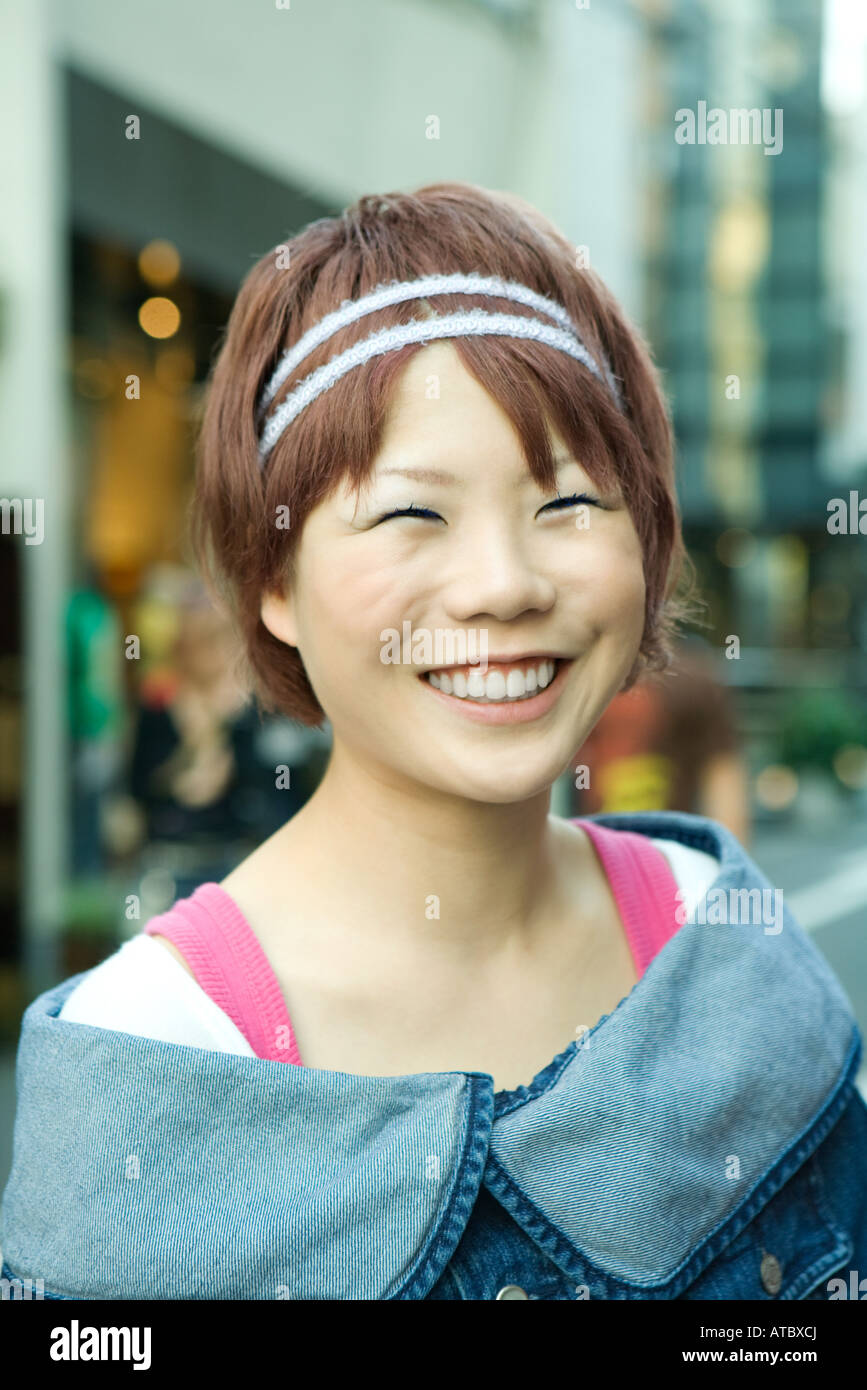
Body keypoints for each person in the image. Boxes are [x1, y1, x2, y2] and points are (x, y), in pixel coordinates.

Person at [2, 184, 865, 1302]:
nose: (505, 584)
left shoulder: (730, 949)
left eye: (567, 504)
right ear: (272, 581)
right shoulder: (153, 1055)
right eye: (413, 512)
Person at [573, 635, 752, 845]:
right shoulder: (579, 681)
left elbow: (724, 783)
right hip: (597, 847)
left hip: (663, 853)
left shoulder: (691, 683)